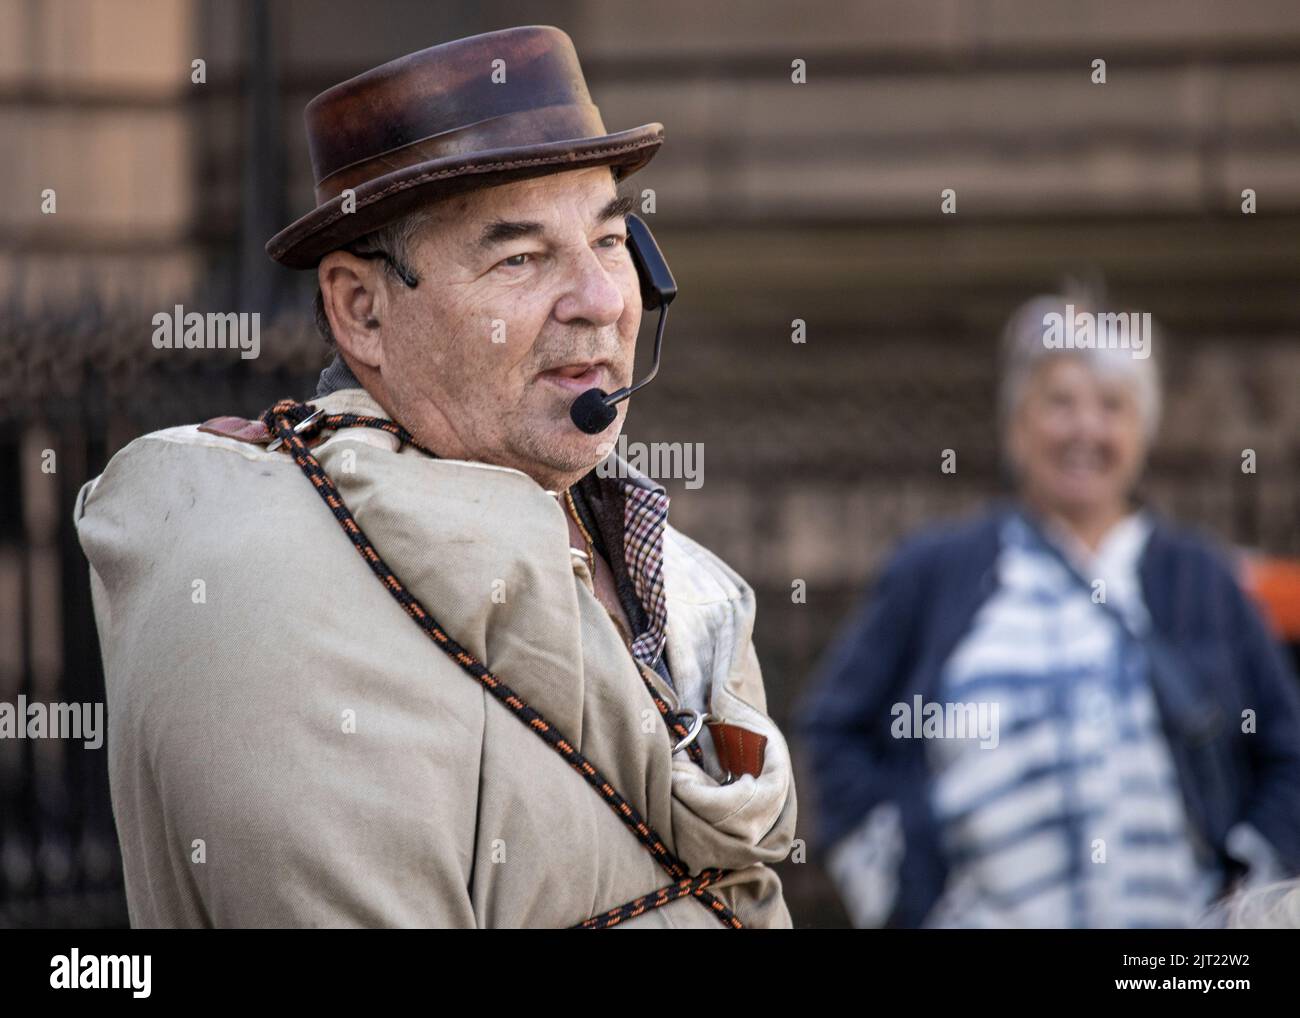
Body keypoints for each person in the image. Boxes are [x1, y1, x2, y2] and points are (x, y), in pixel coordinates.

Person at [74, 26, 795, 928]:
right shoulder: (270, 593)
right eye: (520, 258)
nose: (605, 301)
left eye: (611, 242)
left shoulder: (655, 561)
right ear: (361, 311)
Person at [798, 291, 1300, 928]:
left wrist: (1247, 898)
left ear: (1141, 430)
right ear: (1017, 424)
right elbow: (835, 727)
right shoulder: (937, 571)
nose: (1085, 429)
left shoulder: (1201, 579)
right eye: (1060, 402)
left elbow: (1288, 747)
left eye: (1111, 406)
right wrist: (891, 883)